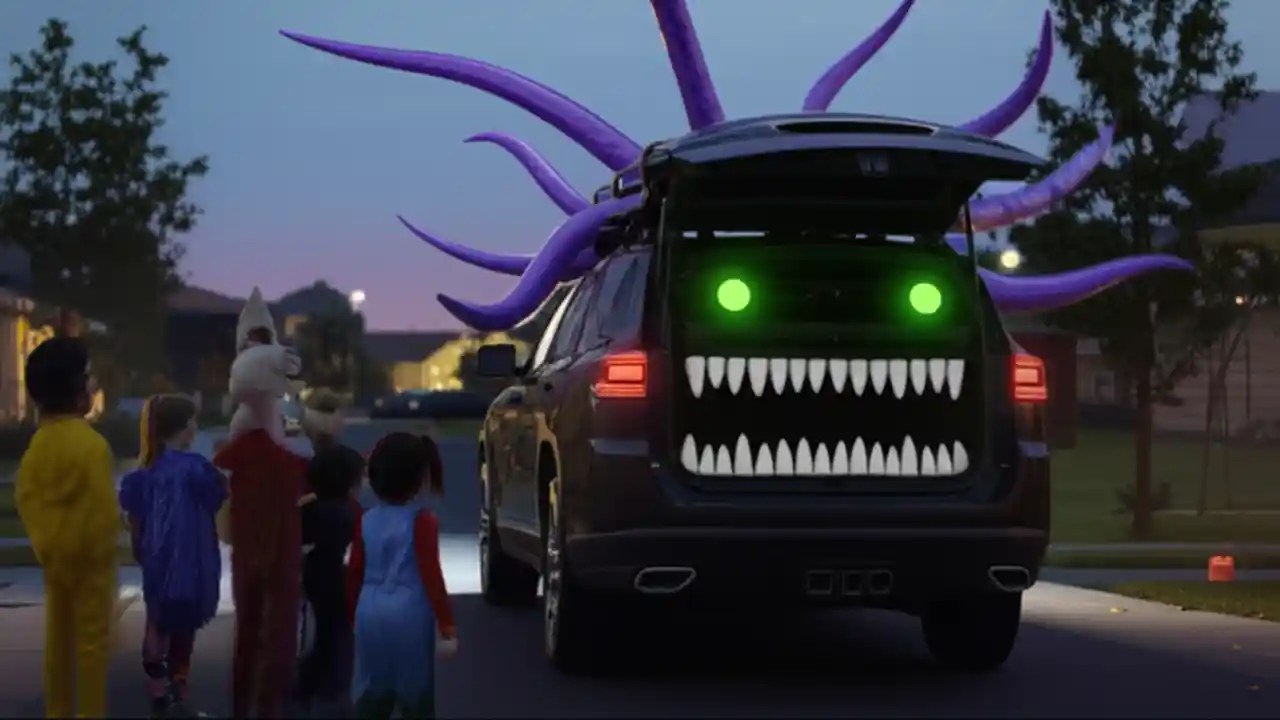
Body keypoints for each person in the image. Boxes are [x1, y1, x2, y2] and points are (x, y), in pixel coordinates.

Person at [214, 288, 309, 718]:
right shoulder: (288, 449)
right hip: (278, 539)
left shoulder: (239, 445)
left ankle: (245, 706)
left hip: (249, 540)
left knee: (251, 628)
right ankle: (266, 707)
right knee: (277, 629)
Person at [15, 337, 117, 718]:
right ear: (77, 393)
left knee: (57, 642)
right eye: (88, 378)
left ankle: (57, 711)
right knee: (92, 647)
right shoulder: (93, 446)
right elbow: (104, 509)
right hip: (91, 566)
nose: (93, 385)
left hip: (54, 560)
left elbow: (27, 496)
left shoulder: (37, 446)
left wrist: (46, 544)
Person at [118, 394, 226, 718]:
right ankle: (179, 686)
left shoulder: (143, 474)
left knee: (158, 619)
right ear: (185, 427)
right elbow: (216, 497)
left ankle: (157, 684)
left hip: (157, 561)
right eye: (193, 420)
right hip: (192, 560)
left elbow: (135, 521)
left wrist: (142, 550)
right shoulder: (197, 469)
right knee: (185, 626)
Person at [347, 432, 456, 720]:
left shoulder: (365, 520)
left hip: (369, 613)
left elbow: (355, 571)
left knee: (371, 693)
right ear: (419, 479)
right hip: (411, 616)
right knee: (416, 696)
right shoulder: (422, 521)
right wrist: (446, 624)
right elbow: (431, 575)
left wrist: (352, 616)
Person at [294, 391, 365, 716]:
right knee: (337, 636)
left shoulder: (310, 508)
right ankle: (332, 692)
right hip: (338, 577)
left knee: (322, 633)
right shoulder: (349, 512)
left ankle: (309, 687)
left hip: (314, 573)